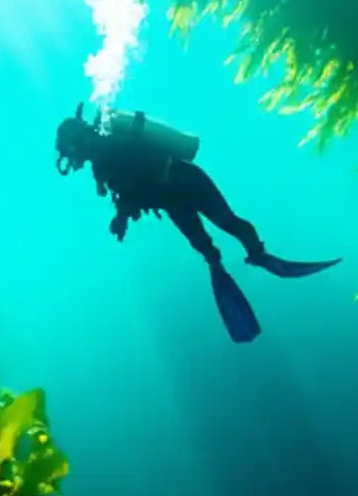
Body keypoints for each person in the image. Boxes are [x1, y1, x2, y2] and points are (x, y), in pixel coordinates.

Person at [55, 103, 340, 343]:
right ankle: (251, 255)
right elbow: (130, 190)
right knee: (218, 233)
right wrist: (121, 216)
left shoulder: (106, 149)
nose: (75, 158)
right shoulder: (102, 160)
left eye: (71, 151)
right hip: (174, 192)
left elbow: (133, 183)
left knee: (222, 227)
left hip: (181, 182)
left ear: (77, 140)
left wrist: (122, 215)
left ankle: (246, 257)